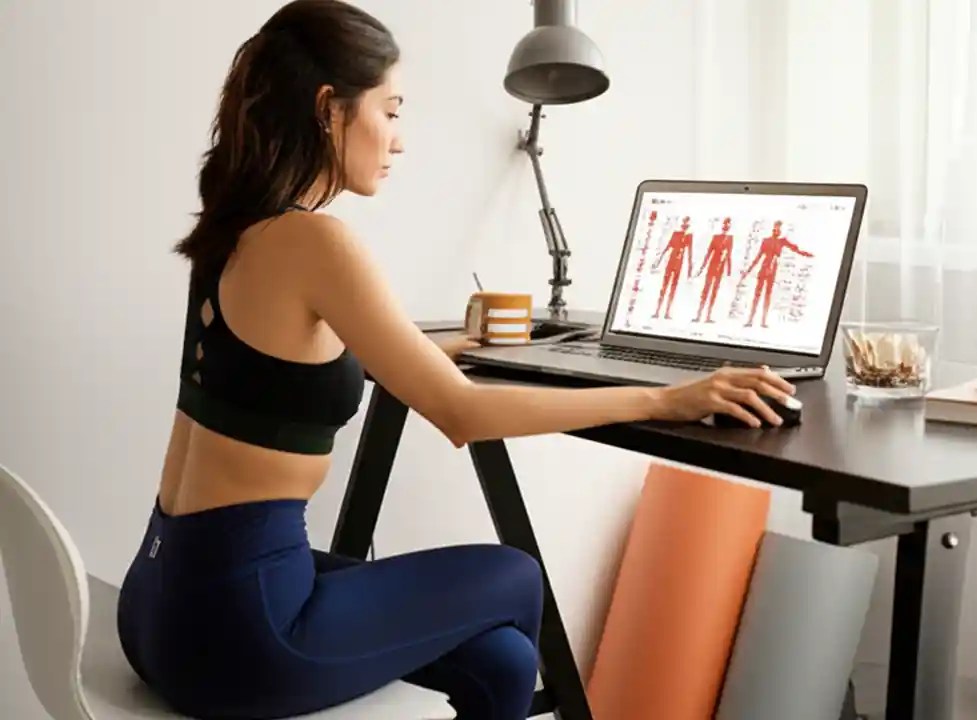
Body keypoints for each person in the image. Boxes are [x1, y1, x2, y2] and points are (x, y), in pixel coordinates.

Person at [113, 2, 797, 719]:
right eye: (392, 109)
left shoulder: (234, 229)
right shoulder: (317, 242)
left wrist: (447, 349)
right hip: (243, 631)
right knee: (513, 577)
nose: (399, 141)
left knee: (502, 662)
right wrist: (663, 398)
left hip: (162, 607)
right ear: (329, 109)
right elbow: (463, 413)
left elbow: (286, 374)